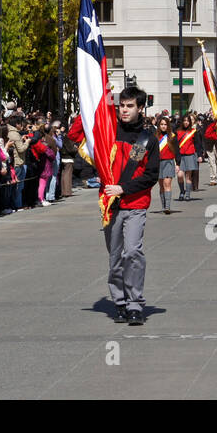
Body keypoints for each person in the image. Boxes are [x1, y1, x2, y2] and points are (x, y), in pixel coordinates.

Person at [69, 86, 159, 326]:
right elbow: (74, 136)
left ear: (140, 108)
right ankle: (119, 300)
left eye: (130, 106)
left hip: (135, 204)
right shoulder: (108, 132)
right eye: (122, 105)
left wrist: (123, 188)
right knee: (116, 256)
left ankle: (135, 304)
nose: (124, 110)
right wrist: (89, 108)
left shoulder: (147, 139)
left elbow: (150, 175)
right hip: (110, 205)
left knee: (132, 252)